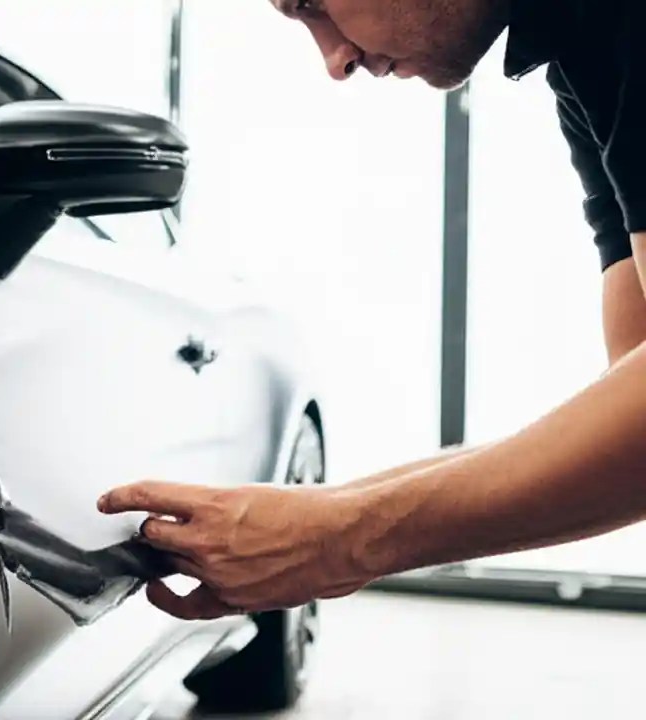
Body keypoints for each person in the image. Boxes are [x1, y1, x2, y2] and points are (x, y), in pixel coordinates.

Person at [98, 0, 646, 620]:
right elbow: (631, 407)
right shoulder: (587, 60)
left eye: (311, 5)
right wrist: (312, 521)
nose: (334, 60)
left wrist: (337, 537)